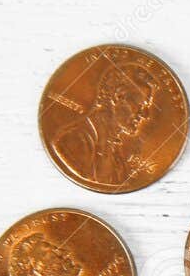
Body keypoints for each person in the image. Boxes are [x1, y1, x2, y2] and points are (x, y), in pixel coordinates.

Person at [47, 58, 160, 187]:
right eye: (140, 105)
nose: (145, 115)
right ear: (118, 96)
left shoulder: (117, 158)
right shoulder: (72, 141)